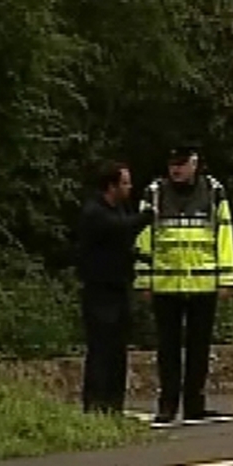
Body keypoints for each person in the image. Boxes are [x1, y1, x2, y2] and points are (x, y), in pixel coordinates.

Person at [133, 145, 233, 424]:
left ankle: (195, 403)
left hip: (203, 282)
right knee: (167, 348)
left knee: (199, 347)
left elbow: (224, 234)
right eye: (172, 164)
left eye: (181, 164)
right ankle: (167, 404)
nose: (176, 170)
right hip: (166, 283)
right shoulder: (154, 192)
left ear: (195, 163)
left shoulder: (214, 191)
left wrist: (227, 279)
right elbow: (144, 237)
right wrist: (144, 279)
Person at [75, 160, 152, 414]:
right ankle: (95, 404)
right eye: (125, 183)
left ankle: (114, 404)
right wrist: (148, 216)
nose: (130, 187)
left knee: (118, 349)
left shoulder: (119, 209)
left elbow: (120, 242)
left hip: (119, 287)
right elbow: (118, 229)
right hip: (99, 290)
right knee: (101, 348)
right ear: (111, 185)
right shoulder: (95, 212)